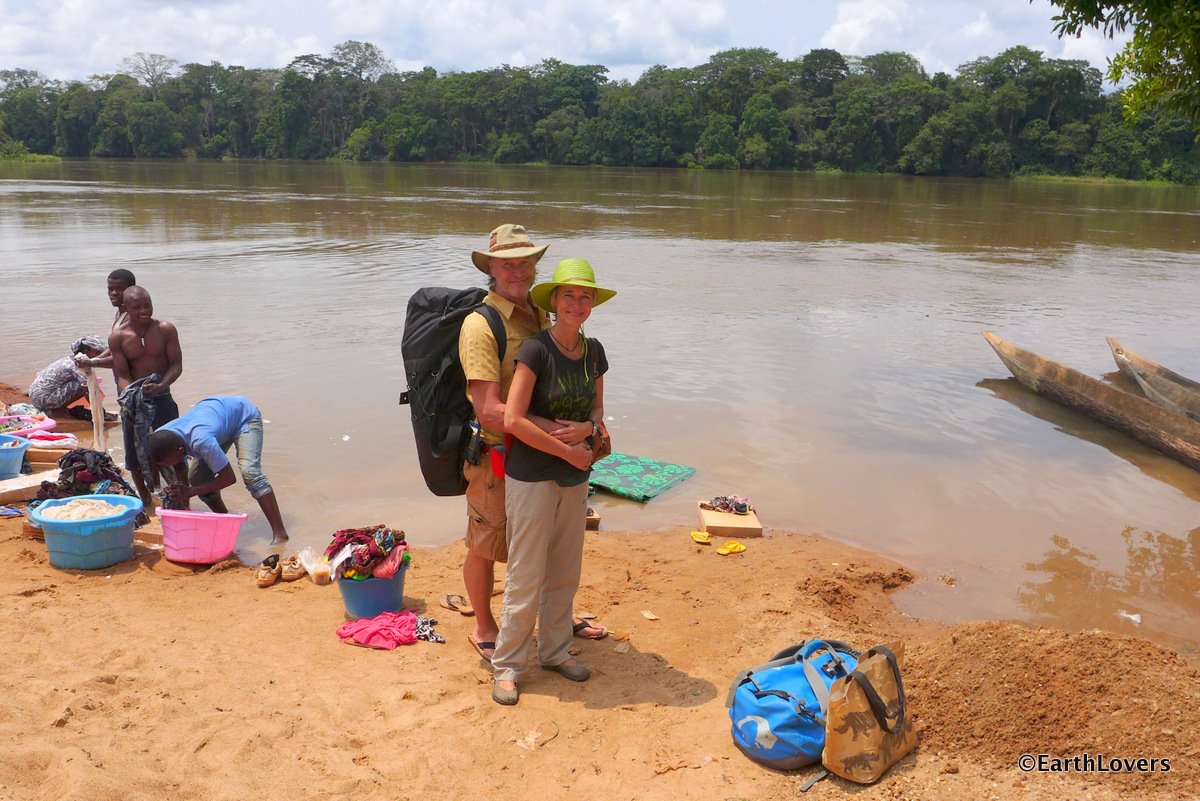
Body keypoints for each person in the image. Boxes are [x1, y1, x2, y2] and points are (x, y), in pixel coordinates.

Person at [457, 225, 607, 664]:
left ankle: (555, 621)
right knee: (485, 540)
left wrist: (585, 427)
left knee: (545, 544)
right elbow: (489, 410)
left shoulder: (544, 316)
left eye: (525, 262)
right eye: (508, 263)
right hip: (495, 451)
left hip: (541, 454)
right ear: (492, 269)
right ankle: (484, 625)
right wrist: (559, 432)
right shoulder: (479, 325)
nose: (518, 271)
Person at [490, 258, 615, 706]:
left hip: (575, 475)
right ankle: (507, 666)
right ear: (555, 302)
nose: (577, 304)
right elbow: (512, 418)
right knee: (526, 574)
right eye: (569, 296)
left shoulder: (595, 351)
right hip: (533, 476)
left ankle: (556, 650)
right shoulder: (536, 352)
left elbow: (597, 410)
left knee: (565, 570)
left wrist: (588, 430)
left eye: (585, 297)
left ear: (592, 304)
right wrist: (566, 449)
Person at [147, 395, 290, 545]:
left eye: (166, 463)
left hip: (244, 417)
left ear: (181, 450)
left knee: (250, 473)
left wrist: (189, 491)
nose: (165, 467)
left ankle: (280, 533)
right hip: (216, 419)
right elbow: (178, 467)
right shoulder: (162, 436)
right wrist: (182, 498)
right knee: (197, 479)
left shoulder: (201, 441)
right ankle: (224, 519)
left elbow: (228, 478)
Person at [109, 285, 183, 508]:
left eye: (147, 305)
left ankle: (181, 498)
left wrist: (161, 386)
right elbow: (122, 374)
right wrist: (131, 395)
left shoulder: (165, 329)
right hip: (134, 401)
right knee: (134, 454)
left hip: (162, 397)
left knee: (176, 449)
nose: (144, 311)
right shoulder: (118, 337)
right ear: (127, 309)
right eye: (137, 307)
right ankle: (146, 500)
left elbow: (177, 366)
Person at [75, 269, 137, 372]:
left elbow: (126, 358)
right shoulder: (119, 314)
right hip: (120, 373)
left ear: (131, 289)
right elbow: (114, 348)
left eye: (119, 289)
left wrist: (93, 363)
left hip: (132, 378)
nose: (113, 293)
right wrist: (93, 360)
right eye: (110, 289)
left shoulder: (131, 319)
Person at [27, 336, 106, 411]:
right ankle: (58, 410)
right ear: (86, 351)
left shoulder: (69, 359)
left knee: (86, 382)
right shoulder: (78, 366)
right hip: (43, 399)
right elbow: (88, 392)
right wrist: (100, 412)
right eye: (97, 352)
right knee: (87, 384)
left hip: (36, 396)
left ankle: (58, 408)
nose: (100, 356)